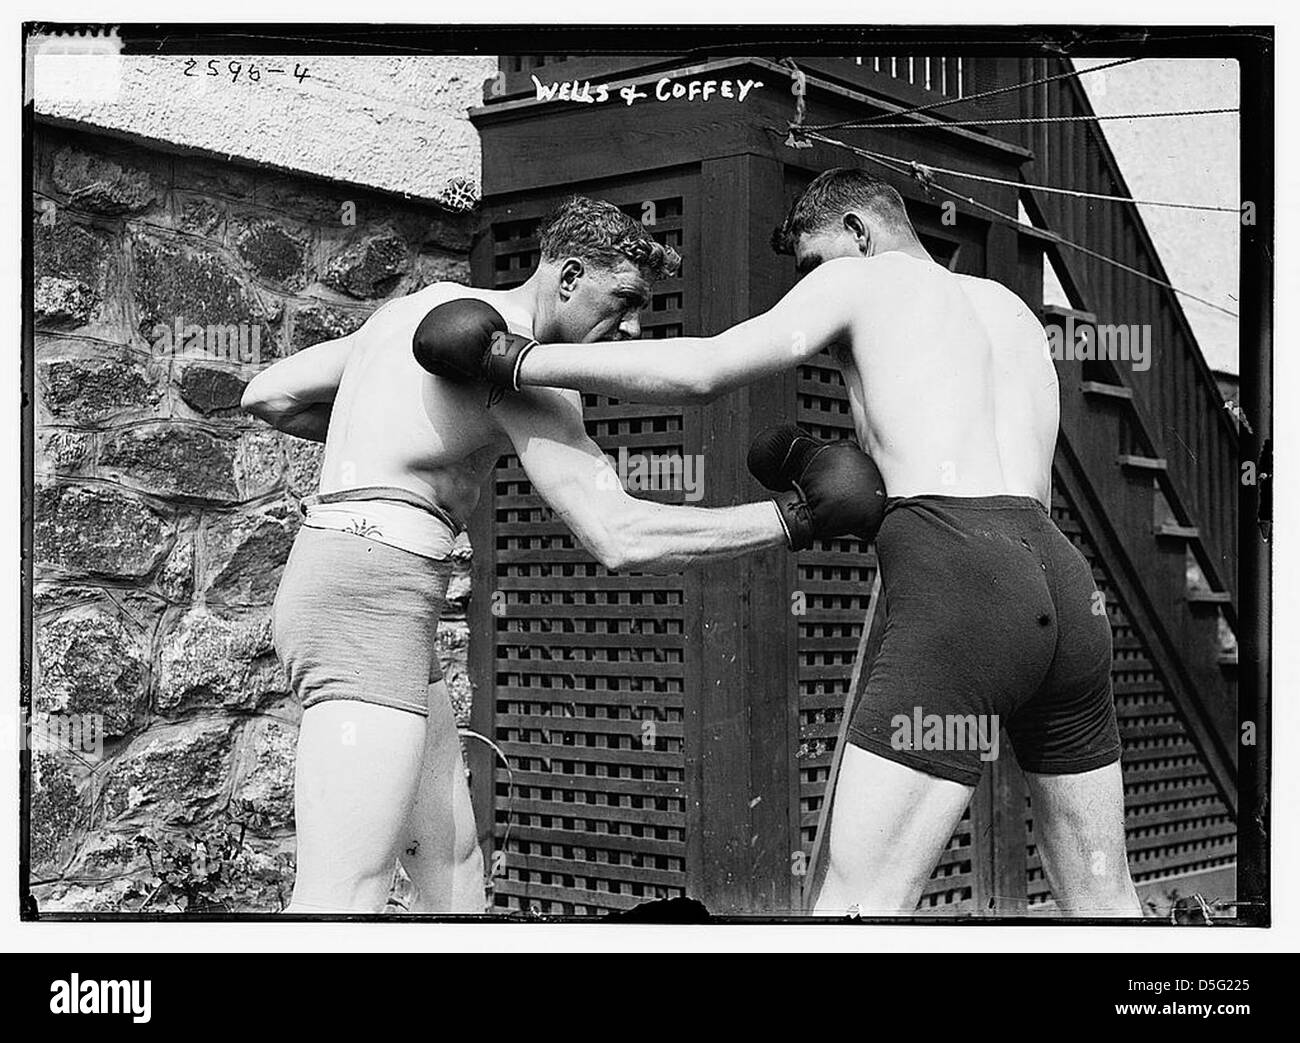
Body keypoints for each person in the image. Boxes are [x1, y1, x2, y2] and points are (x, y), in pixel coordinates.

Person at [428, 168, 1143, 917]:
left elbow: (705, 371)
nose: (807, 284)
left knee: (860, 904)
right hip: (1059, 582)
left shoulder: (865, 279)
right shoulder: (1013, 312)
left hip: (960, 576)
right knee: (1102, 893)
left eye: (810, 264)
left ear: (860, 233)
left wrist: (514, 360)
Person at [241, 194, 882, 913]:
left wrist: (408, 438)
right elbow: (619, 536)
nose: (633, 324)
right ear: (569, 276)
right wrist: (792, 519)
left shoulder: (421, 311)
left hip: (355, 580)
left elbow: (267, 392)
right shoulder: (521, 371)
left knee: (450, 859)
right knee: (342, 891)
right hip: (369, 596)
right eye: (625, 300)